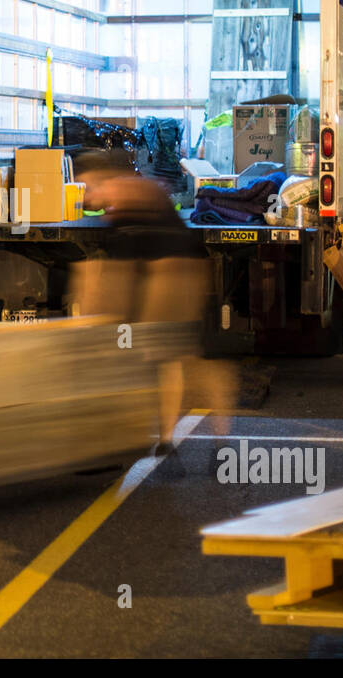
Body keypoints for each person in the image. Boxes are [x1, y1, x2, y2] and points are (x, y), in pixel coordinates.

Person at [67, 149, 235, 451]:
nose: (88, 197)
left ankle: (209, 433)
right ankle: (171, 439)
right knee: (169, 357)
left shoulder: (127, 196)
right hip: (172, 273)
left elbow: (120, 271)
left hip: (174, 276)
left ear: (104, 179)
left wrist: (95, 318)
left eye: (89, 187)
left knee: (175, 357)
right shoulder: (128, 197)